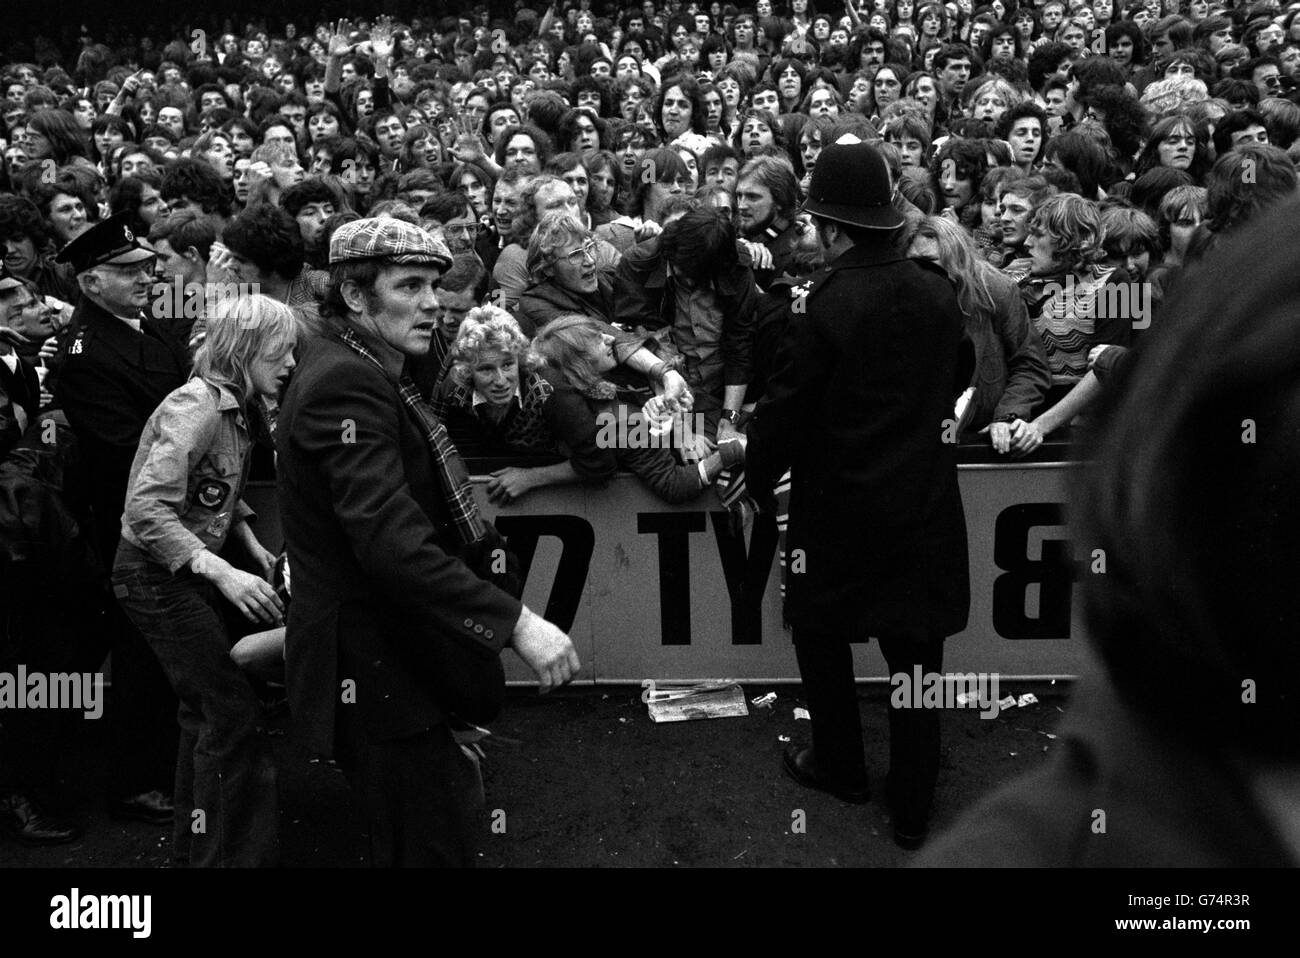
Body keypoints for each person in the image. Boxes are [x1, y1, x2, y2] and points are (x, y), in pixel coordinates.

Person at [920, 195, 1300, 868]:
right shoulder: (1049, 294)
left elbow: (1106, 367)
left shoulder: (1115, 294)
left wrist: (1043, 420)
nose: (1027, 238)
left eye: (1040, 231)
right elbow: (1036, 362)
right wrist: (1017, 418)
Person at [275, 217, 580, 867]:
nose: (431, 302)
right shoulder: (343, 382)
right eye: (408, 286)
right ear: (355, 296)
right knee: (428, 845)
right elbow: (390, 542)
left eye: (434, 286)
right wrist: (516, 622)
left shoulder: (368, 364)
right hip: (373, 670)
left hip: (395, 663)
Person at [745, 138, 970, 850]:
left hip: (837, 511)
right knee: (916, 662)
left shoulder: (821, 306)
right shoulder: (939, 290)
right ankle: (912, 809)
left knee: (819, 634)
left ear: (834, 228)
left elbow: (783, 412)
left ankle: (839, 765)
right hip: (924, 508)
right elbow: (962, 371)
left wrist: (756, 479)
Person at [112, 294, 294, 867]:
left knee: (206, 712)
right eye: (280, 352)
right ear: (244, 350)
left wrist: (249, 545)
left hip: (175, 575)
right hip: (154, 576)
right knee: (230, 713)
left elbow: (214, 488)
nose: (290, 364)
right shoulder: (198, 407)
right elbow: (147, 509)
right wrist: (221, 572)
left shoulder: (237, 405)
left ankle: (199, 854)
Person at [51, 211, 193, 828]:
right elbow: (123, 448)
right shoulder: (85, 352)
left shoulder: (144, 326)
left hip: (169, 513)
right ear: (89, 283)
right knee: (142, 652)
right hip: (131, 523)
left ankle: (165, 767)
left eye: (147, 267)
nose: (145, 278)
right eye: (127, 271)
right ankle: (137, 782)